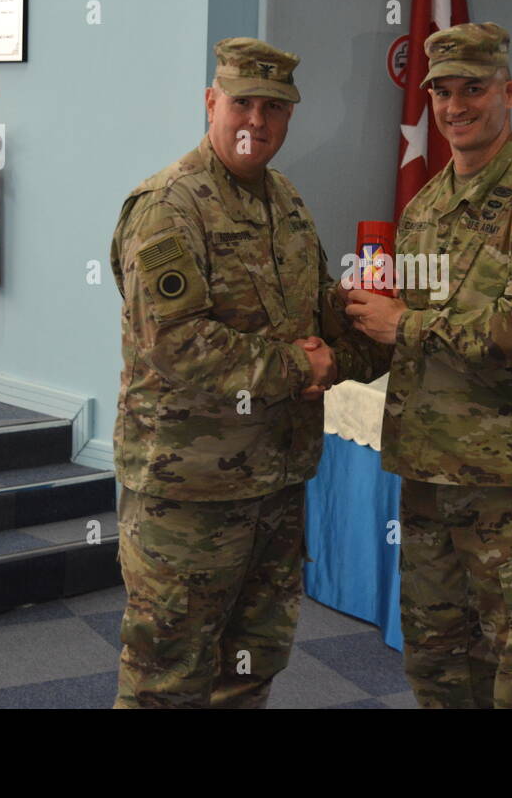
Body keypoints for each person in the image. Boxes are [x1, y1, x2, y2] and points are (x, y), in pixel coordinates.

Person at [110, 37, 385, 707]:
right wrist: (298, 365)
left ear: (289, 118)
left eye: (274, 108)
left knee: (248, 668)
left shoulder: (284, 204)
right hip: (189, 493)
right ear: (212, 102)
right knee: (167, 679)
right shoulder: (168, 207)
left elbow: (316, 326)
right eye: (242, 103)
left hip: (274, 485)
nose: (256, 122)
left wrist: (380, 331)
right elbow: (174, 342)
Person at [345, 22, 512, 708]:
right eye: (443, 93)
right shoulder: (424, 209)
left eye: (475, 90)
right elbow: (410, 334)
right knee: (437, 667)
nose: (456, 107)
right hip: (431, 479)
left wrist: (402, 323)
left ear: (510, 93)